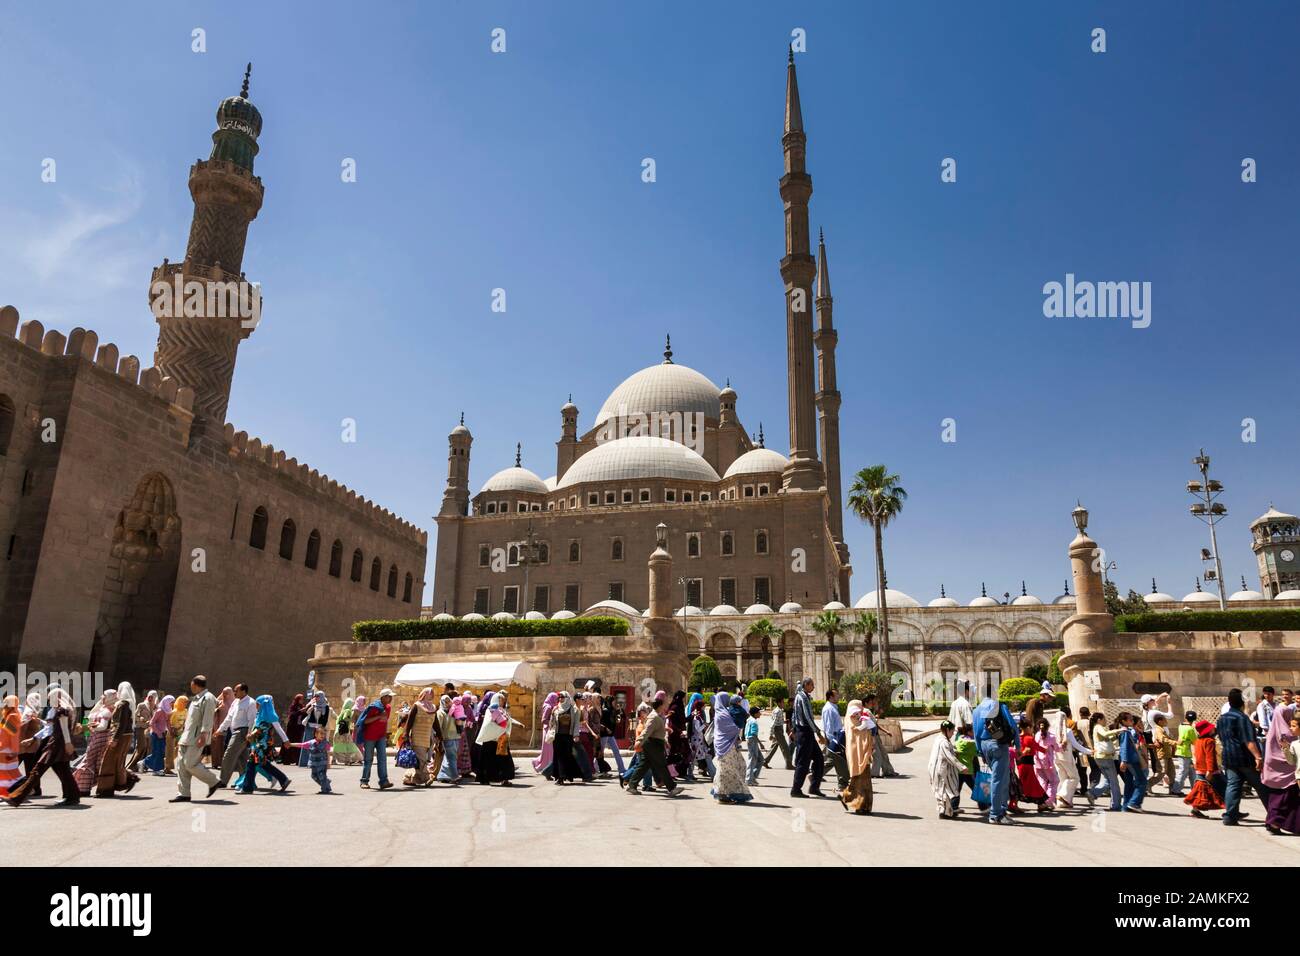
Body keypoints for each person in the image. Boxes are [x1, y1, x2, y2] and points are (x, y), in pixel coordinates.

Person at [6, 686, 81, 807]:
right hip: (56, 743)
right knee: (63, 771)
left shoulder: (62, 710)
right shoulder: (62, 709)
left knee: (38, 769)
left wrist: (68, 743)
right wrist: (34, 738)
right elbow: (49, 728)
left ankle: (16, 797)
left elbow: (64, 730)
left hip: (56, 744)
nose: (49, 700)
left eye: (51, 697)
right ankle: (73, 796)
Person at [1217, 687, 1268, 826]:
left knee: (1232, 786)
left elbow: (1221, 738)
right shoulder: (1242, 718)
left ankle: (1230, 816)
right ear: (1242, 703)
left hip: (1228, 756)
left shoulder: (1222, 719)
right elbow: (1249, 741)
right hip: (1244, 758)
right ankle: (1274, 816)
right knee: (1261, 786)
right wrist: (1258, 757)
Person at [171, 675, 220, 802]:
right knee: (181, 766)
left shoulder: (208, 698)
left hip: (197, 737)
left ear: (195, 685)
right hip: (186, 737)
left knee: (190, 764)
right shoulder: (195, 699)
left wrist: (204, 735)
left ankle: (214, 781)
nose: (190, 687)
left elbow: (208, 718)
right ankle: (184, 793)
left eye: (191, 685)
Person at [972, 692, 1017, 824]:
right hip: (998, 745)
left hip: (985, 746)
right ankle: (996, 814)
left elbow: (976, 733)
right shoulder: (999, 706)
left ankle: (1001, 811)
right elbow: (1012, 725)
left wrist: (980, 751)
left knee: (1001, 778)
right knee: (999, 780)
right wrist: (1018, 746)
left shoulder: (976, 710)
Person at [235, 695, 292, 794]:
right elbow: (255, 728)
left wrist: (286, 740)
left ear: (263, 704)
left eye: (258, 703)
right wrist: (250, 735)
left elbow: (279, 729)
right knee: (257, 764)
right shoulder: (259, 715)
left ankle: (247, 788)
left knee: (255, 763)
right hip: (256, 745)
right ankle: (283, 780)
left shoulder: (271, 716)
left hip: (263, 746)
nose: (256, 705)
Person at [625, 696, 680, 796]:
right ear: (660, 706)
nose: (666, 706)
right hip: (653, 744)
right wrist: (639, 741)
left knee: (644, 765)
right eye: (664, 704)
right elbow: (647, 730)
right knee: (662, 765)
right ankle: (672, 788)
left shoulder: (656, 716)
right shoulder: (653, 716)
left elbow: (656, 730)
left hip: (654, 743)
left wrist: (665, 741)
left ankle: (631, 785)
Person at [94, 681, 140, 797]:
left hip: (120, 736)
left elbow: (121, 723)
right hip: (124, 736)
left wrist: (114, 739)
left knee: (108, 762)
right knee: (117, 762)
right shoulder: (127, 703)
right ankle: (124, 781)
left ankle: (106, 789)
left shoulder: (123, 704)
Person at [1260, 702, 1298, 835]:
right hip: (1287, 772)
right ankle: (1274, 823)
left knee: (1276, 797)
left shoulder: (1273, 730)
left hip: (1274, 771)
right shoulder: (1287, 733)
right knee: (1284, 799)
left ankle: (1274, 822)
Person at [709, 691, 753, 803]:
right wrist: (738, 727)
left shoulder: (722, 712)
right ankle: (722, 794)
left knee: (738, 766)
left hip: (727, 744)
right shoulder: (722, 714)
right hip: (726, 746)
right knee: (727, 770)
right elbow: (732, 728)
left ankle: (728, 793)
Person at [73, 689, 115, 795]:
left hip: (100, 739)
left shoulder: (108, 710)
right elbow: (90, 718)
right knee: (93, 762)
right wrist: (88, 728)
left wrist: (92, 727)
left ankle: (84, 788)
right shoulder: (102, 708)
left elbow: (103, 726)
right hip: (95, 738)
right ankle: (84, 787)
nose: (102, 697)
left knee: (89, 761)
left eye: (104, 696)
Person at [790, 677, 826, 798]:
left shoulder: (801, 696)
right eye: (812, 685)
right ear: (806, 685)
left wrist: (793, 729)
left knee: (819, 759)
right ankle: (795, 789)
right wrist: (818, 733)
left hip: (805, 732)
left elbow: (794, 716)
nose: (814, 687)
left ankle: (814, 787)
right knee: (803, 762)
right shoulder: (803, 697)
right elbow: (807, 717)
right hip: (805, 732)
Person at [216, 683, 257, 787]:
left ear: (243, 691)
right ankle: (246, 781)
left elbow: (251, 720)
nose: (234, 692)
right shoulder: (235, 702)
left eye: (236, 690)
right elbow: (229, 717)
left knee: (228, 756)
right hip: (234, 732)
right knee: (242, 760)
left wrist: (249, 734)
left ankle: (223, 781)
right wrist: (220, 729)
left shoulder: (250, 702)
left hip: (242, 732)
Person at [475, 691, 519, 785]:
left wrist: (516, 724)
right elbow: (489, 723)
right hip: (491, 739)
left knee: (505, 760)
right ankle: (486, 778)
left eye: (503, 700)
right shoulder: (490, 710)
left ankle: (505, 779)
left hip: (501, 739)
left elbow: (507, 720)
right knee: (488, 761)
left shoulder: (502, 710)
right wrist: (500, 726)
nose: (503, 701)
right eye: (501, 699)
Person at [1184, 719, 1225, 818]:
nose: (1213, 730)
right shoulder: (1210, 741)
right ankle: (1231, 812)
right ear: (1208, 731)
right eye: (1211, 729)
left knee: (1200, 792)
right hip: (1210, 771)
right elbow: (1210, 757)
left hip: (1200, 769)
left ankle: (1195, 810)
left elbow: (1197, 755)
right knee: (1224, 789)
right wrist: (1210, 771)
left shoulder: (1198, 741)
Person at [839, 699, 874, 814]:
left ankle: (852, 800)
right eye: (859, 708)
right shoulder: (853, 719)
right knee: (860, 780)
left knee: (861, 779)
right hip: (858, 754)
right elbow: (862, 734)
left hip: (862, 754)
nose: (860, 710)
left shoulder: (856, 719)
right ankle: (860, 806)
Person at [356, 689, 394, 790]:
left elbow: (384, 722)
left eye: (391, 697)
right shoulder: (373, 707)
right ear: (383, 697)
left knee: (382, 759)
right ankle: (364, 781)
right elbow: (365, 721)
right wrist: (378, 716)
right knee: (368, 760)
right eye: (389, 696)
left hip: (381, 737)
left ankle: (383, 781)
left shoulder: (388, 708)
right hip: (370, 737)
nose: (391, 698)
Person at [400, 687, 438, 787]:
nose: (432, 695)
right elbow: (409, 721)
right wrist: (406, 734)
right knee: (422, 759)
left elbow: (436, 723)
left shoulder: (433, 707)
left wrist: (440, 735)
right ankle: (426, 778)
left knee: (422, 759)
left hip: (428, 737)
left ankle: (409, 778)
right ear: (424, 694)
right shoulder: (417, 706)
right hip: (417, 736)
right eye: (430, 693)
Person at [928, 720, 964, 819]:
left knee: (942, 791)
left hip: (936, 768)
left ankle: (946, 812)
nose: (953, 734)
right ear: (947, 730)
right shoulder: (943, 742)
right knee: (945, 791)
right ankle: (944, 812)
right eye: (952, 732)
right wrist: (961, 767)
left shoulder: (939, 738)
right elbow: (949, 757)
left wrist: (954, 750)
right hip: (941, 770)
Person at [1089, 712, 1122, 811]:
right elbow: (1105, 734)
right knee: (1114, 782)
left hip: (1101, 757)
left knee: (1108, 780)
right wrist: (1119, 729)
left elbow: (1108, 738)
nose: (1106, 721)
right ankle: (1115, 805)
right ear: (1099, 720)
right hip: (1105, 758)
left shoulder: (1100, 728)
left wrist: (1117, 734)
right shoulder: (1098, 727)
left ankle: (1093, 793)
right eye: (1104, 719)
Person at [286, 726, 333, 794]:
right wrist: (290, 744)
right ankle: (326, 782)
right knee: (313, 776)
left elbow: (328, 753)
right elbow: (301, 745)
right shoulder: (311, 743)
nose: (323, 735)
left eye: (324, 734)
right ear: (316, 734)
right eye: (321, 733)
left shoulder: (326, 743)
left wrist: (329, 763)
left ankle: (325, 789)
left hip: (322, 763)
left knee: (322, 776)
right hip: (314, 763)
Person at [1117, 711, 1148, 813]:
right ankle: (1134, 803)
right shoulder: (1125, 732)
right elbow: (1124, 747)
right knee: (1142, 781)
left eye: (1132, 719)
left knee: (1129, 783)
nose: (1132, 720)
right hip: (1131, 760)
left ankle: (1126, 806)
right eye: (1129, 719)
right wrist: (1124, 760)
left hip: (1128, 760)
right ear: (1123, 721)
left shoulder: (1126, 731)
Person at [821, 689, 849, 793]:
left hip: (837, 739)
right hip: (834, 740)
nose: (838, 696)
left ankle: (816, 775)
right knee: (839, 761)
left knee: (832, 761)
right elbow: (828, 727)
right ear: (831, 697)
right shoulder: (829, 709)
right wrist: (832, 741)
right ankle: (843, 784)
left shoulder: (833, 707)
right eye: (836, 695)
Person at [863, 695, 897, 778]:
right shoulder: (866, 711)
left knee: (883, 753)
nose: (874, 703)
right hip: (872, 736)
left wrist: (885, 731)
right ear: (867, 702)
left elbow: (875, 724)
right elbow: (871, 725)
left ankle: (888, 771)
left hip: (875, 735)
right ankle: (874, 773)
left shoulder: (869, 711)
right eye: (872, 702)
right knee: (877, 755)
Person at [1, 695, 26, 799]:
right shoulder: (8, 715)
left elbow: (13, 735)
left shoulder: (12, 716)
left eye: (6, 702)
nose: (4, 704)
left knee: (9, 773)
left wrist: (14, 750)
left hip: (7, 749)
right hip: (4, 748)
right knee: (7, 772)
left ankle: (15, 791)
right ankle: (8, 793)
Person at [685, 692, 714, 778]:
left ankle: (711, 772)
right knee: (693, 757)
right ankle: (690, 773)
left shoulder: (697, 715)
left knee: (705, 755)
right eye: (703, 705)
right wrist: (705, 725)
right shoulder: (696, 717)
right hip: (696, 740)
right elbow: (697, 729)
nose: (704, 707)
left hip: (700, 739)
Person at [127, 689, 156, 772]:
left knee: (148, 748)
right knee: (141, 746)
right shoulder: (142, 705)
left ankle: (142, 766)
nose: (150, 699)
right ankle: (131, 765)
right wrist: (141, 718)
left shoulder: (155, 707)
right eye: (149, 697)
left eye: (152, 697)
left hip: (150, 729)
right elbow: (135, 715)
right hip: (141, 728)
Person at [299, 690, 330, 768]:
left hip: (319, 728)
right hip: (310, 726)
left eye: (318, 696)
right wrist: (311, 706)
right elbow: (307, 712)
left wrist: (322, 728)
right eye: (315, 696)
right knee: (307, 744)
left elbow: (325, 718)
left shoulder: (326, 707)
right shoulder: (313, 704)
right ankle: (304, 762)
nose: (316, 698)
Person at [598, 693, 626, 776]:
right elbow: (600, 723)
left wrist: (620, 709)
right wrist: (606, 728)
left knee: (616, 752)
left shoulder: (613, 710)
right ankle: (595, 769)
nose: (615, 703)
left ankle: (622, 769)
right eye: (614, 702)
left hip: (611, 735)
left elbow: (622, 718)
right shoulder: (605, 710)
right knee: (600, 753)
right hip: (604, 734)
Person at [1151, 713, 1179, 795]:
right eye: (1164, 720)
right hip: (1162, 754)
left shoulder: (1162, 729)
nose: (1166, 721)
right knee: (1161, 772)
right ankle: (1147, 785)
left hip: (1168, 754)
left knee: (1172, 773)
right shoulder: (1158, 730)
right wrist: (1174, 743)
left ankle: (1172, 790)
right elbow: (1163, 740)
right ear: (1159, 721)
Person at [435, 695, 460, 783]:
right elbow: (438, 727)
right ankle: (454, 776)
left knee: (449, 757)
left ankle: (443, 775)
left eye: (448, 701)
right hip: (447, 738)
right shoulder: (440, 713)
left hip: (456, 737)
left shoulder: (454, 711)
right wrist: (438, 739)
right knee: (451, 757)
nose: (448, 703)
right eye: (446, 701)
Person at [666, 690, 690, 781]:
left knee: (684, 753)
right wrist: (679, 731)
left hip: (680, 733)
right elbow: (674, 722)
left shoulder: (678, 707)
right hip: (675, 734)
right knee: (675, 754)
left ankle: (678, 772)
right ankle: (671, 773)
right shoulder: (675, 707)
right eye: (683, 698)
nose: (684, 700)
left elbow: (682, 720)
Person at [144, 694, 172, 775]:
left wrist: (171, 731)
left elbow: (167, 722)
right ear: (166, 702)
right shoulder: (159, 711)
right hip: (156, 734)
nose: (172, 704)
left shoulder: (168, 710)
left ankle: (144, 762)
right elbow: (151, 722)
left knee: (161, 752)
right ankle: (156, 770)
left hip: (162, 734)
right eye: (171, 702)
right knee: (157, 752)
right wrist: (158, 732)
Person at [953, 724, 978, 811]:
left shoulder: (959, 740)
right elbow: (977, 752)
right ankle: (984, 805)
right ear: (969, 732)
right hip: (967, 769)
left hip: (959, 769)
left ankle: (954, 806)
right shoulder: (971, 744)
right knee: (975, 788)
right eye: (973, 731)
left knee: (957, 789)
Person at [763, 696, 793, 770]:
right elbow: (774, 723)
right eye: (783, 702)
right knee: (785, 748)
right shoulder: (778, 711)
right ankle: (789, 765)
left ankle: (765, 761)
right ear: (779, 703)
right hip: (778, 731)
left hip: (778, 729)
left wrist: (785, 722)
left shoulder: (777, 710)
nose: (784, 703)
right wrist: (771, 734)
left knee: (774, 747)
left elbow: (778, 721)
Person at [1173, 711, 1198, 796]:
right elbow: (1195, 742)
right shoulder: (1190, 729)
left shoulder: (1181, 725)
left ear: (1185, 717)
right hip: (1185, 753)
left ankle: (1195, 790)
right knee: (1183, 771)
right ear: (1194, 719)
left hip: (1182, 751)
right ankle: (1176, 790)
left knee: (1192, 772)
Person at [210, 686, 235, 771]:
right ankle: (216, 763)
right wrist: (217, 709)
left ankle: (227, 764)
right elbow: (212, 710)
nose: (224, 695)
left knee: (228, 746)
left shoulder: (235, 704)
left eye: (226, 693)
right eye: (223, 693)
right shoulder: (219, 702)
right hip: (218, 727)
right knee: (217, 746)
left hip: (230, 729)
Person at [332, 697, 361, 766]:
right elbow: (345, 718)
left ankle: (334, 760)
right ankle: (348, 760)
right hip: (344, 731)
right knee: (348, 745)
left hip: (338, 731)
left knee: (337, 746)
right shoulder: (348, 710)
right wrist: (352, 720)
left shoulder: (343, 710)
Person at [282, 693, 307, 763]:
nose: (302, 700)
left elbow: (304, 716)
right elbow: (292, 715)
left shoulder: (302, 706)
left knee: (297, 743)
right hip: (292, 728)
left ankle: (296, 760)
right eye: (301, 699)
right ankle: (287, 759)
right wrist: (300, 711)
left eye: (302, 699)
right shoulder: (293, 706)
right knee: (290, 742)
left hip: (299, 728)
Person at [166, 694, 187, 774]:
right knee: (170, 750)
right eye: (184, 702)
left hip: (180, 733)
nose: (185, 704)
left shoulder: (185, 711)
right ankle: (167, 768)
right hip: (172, 732)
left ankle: (166, 761)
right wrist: (173, 729)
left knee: (178, 749)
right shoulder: (174, 712)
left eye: (186, 702)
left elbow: (186, 720)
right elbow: (168, 722)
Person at [744, 705, 763, 785]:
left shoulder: (749, 719)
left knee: (760, 759)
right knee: (752, 760)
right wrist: (761, 743)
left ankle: (753, 777)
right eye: (759, 712)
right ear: (755, 714)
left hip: (750, 740)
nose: (760, 714)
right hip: (752, 740)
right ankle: (749, 779)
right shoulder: (754, 722)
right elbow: (753, 734)